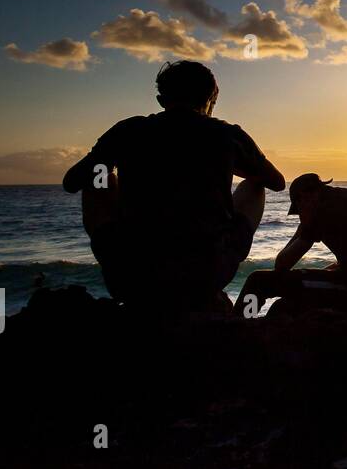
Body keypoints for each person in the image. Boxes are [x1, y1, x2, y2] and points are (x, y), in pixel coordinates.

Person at [62, 60, 284, 312]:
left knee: (98, 176)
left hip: (131, 274)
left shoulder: (128, 131)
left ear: (161, 100)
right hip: (208, 273)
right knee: (256, 183)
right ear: (211, 99)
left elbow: (71, 182)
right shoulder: (226, 135)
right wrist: (228, 162)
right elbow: (276, 182)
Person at [233, 174, 347, 316]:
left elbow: (281, 264)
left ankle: (241, 323)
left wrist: (303, 227)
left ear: (305, 197)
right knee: (284, 305)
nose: (300, 213)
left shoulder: (322, 210)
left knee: (258, 281)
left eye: (298, 208)